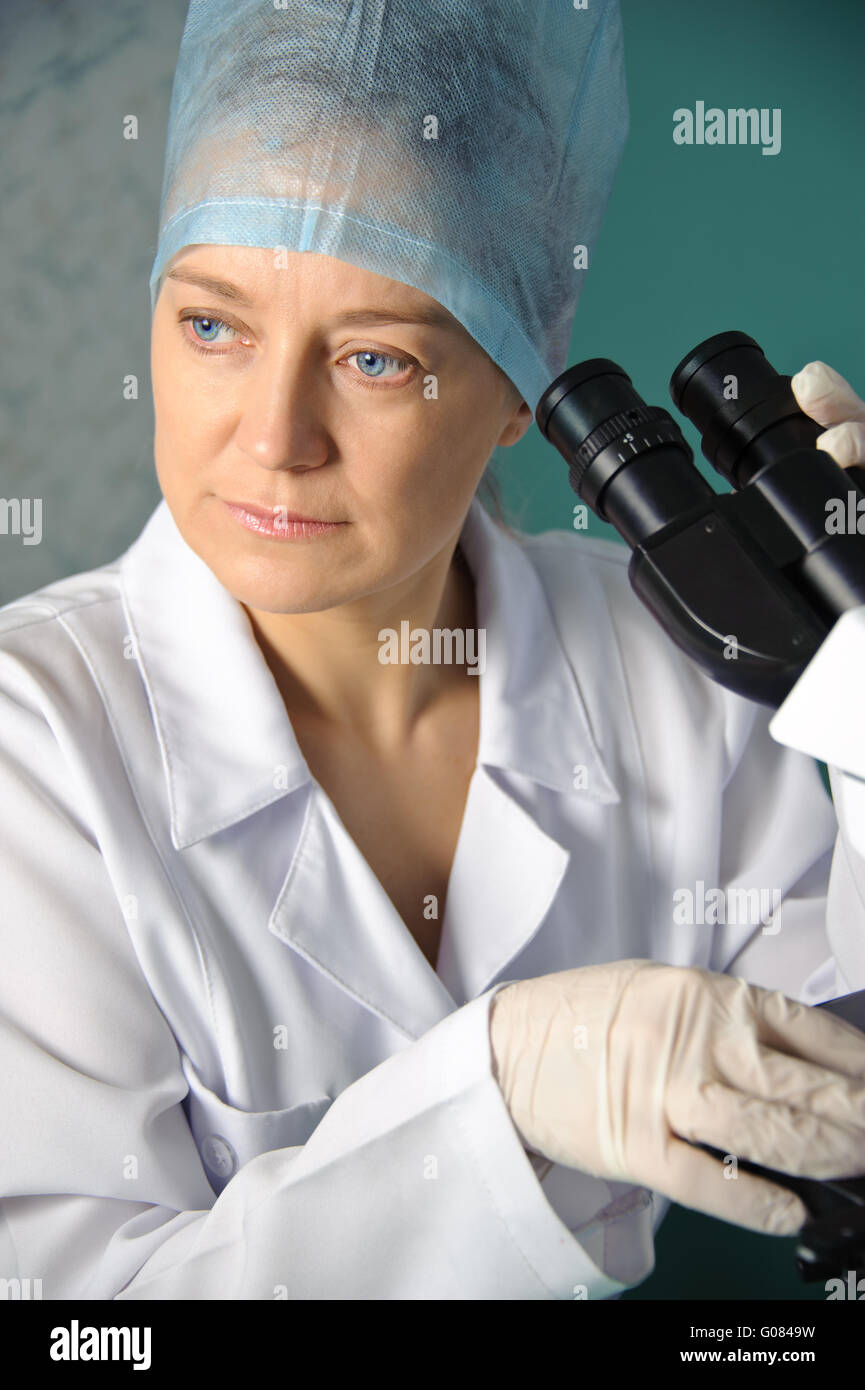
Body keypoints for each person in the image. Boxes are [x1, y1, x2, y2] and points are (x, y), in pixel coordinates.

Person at [1, 0, 865, 1301]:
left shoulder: (676, 652)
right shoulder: (34, 741)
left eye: (372, 356)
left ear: (523, 386)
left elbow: (833, 1071)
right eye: (212, 326)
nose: (274, 434)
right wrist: (502, 1097)